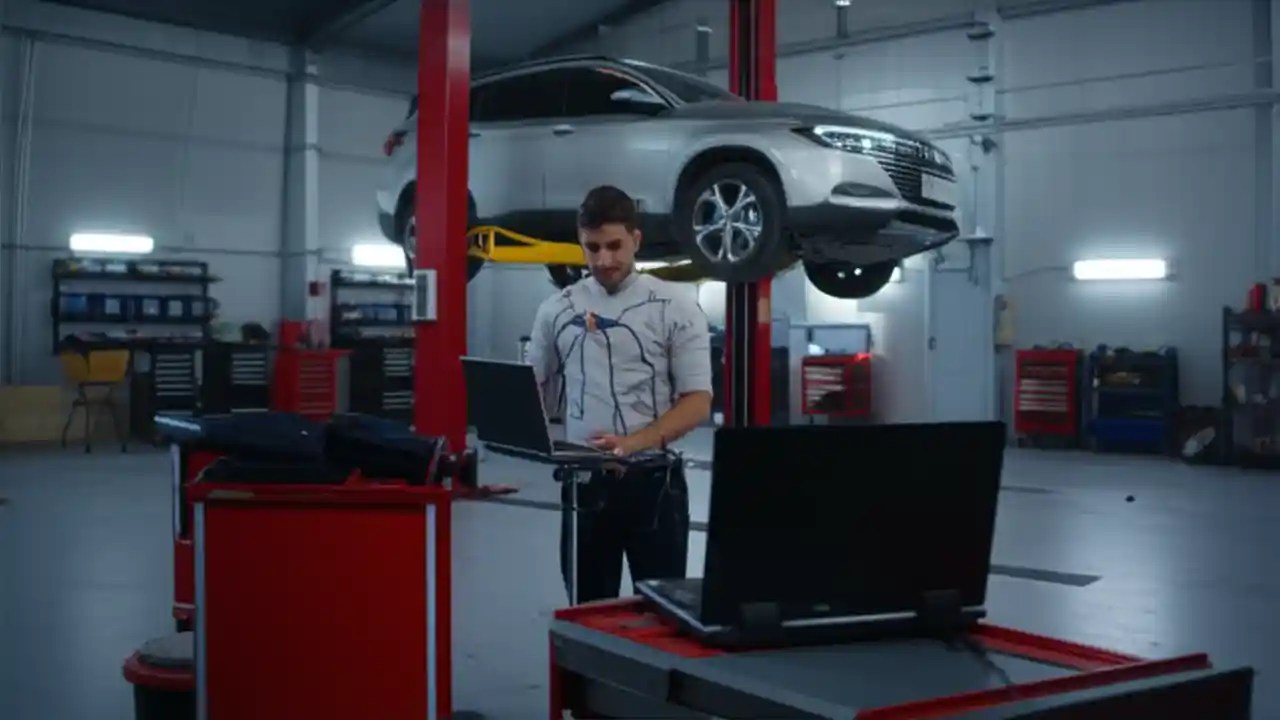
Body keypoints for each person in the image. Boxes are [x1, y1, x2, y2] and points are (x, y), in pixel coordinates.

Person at [528, 185, 713, 603]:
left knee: (662, 613)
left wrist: (632, 444)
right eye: (592, 248)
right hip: (583, 487)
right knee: (587, 613)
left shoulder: (675, 306)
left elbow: (697, 400)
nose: (603, 260)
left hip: (655, 486)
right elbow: (534, 389)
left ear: (636, 240)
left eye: (614, 246)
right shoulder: (557, 310)